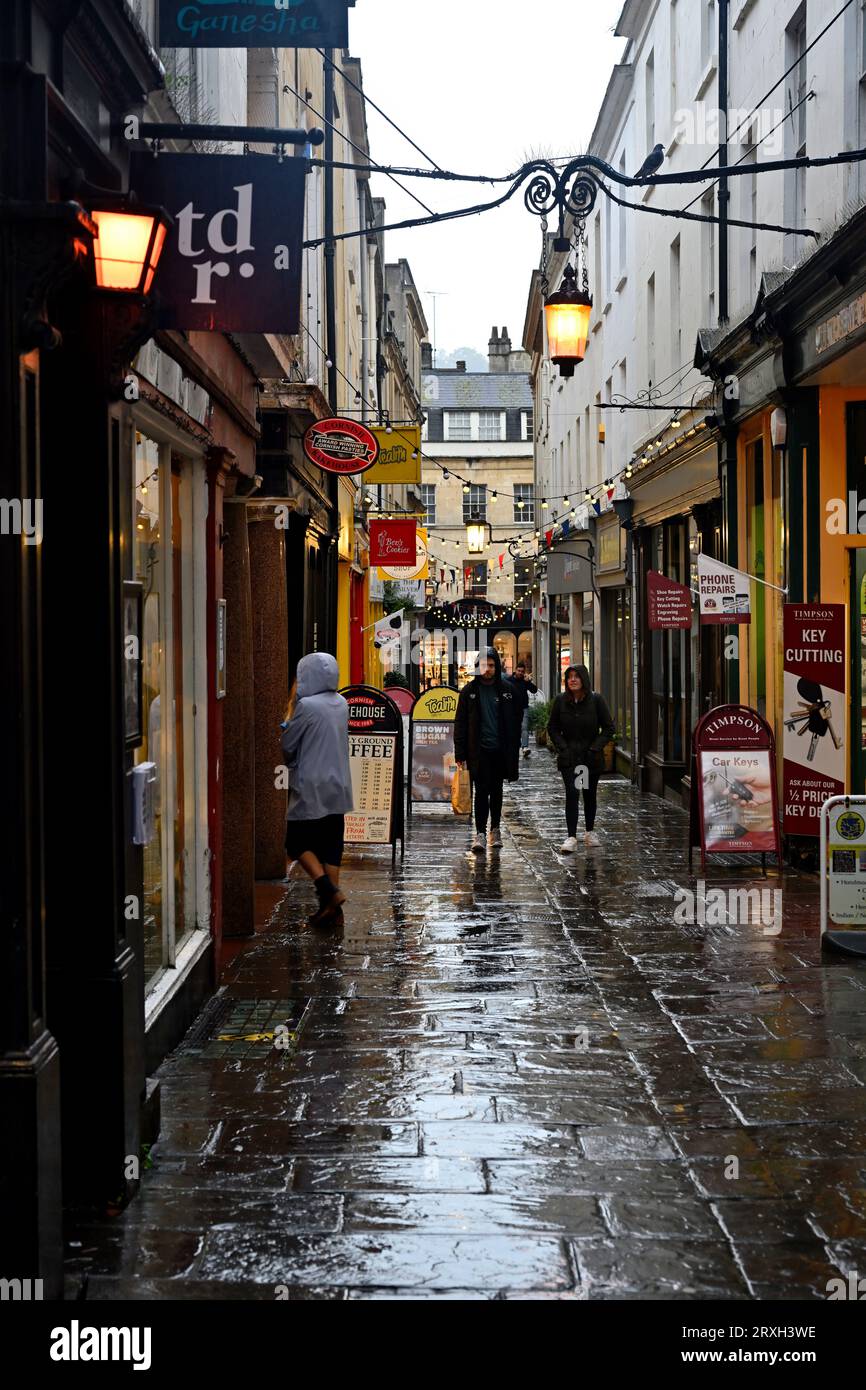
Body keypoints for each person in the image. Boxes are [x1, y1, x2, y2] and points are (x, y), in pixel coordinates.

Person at [280, 653, 354, 927]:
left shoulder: (307, 706)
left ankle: (329, 891)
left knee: (296, 841)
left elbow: (289, 745)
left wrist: (287, 725)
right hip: (339, 782)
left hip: (312, 783)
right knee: (331, 843)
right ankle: (331, 909)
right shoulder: (342, 702)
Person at [454, 646, 522, 854]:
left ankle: (495, 829)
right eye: (484, 665)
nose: (487, 669)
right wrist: (460, 753)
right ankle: (480, 833)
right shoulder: (469, 692)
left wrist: (514, 745)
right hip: (478, 751)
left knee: (497, 791)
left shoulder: (508, 690)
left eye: (491, 665)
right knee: (481, 792)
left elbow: (516, 719)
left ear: (497, 667)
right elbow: (460, 724)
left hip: (500, 750)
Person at [547, 664, 615, 852]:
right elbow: (552, 727)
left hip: (588, 758)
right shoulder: (561, 701)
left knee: (588, 793)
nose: (573, 680)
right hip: (570, 758)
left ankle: (589, 831)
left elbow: (609, 728)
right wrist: (563, 747)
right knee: (573, 793)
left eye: (577, 676)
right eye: (569, 677)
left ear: (584, 679)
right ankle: (571, 837)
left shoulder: (596, 700)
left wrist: (595, 748)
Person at [507, 661, 538, 758]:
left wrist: (529, 681)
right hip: (511, 709)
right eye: (519, 670)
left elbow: (534, 690)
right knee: (513, 728)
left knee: (524, 727)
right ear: (515, 670)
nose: (520, 673)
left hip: (524, 707)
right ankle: (513, 747)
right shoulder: (509, 681)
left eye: (522, 671)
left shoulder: (525, 681)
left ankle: (525, 747)